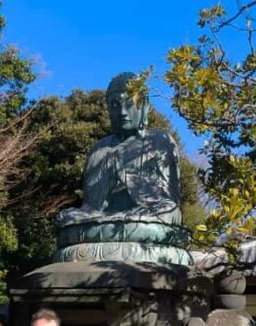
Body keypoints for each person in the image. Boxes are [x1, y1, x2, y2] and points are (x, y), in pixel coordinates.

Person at [55, 71, 182, 227]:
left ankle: (124, 220)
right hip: (107, 218)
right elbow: (90, 207)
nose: (122, 112)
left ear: (144, 106)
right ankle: (120, 220)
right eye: (115, 105)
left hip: (150, 215)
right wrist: (105, 188)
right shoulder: (99, 149)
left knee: (169, 211)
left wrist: (126, 177)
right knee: (66, 219)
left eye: (129, 104)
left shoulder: (160, 141)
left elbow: (169, 199)